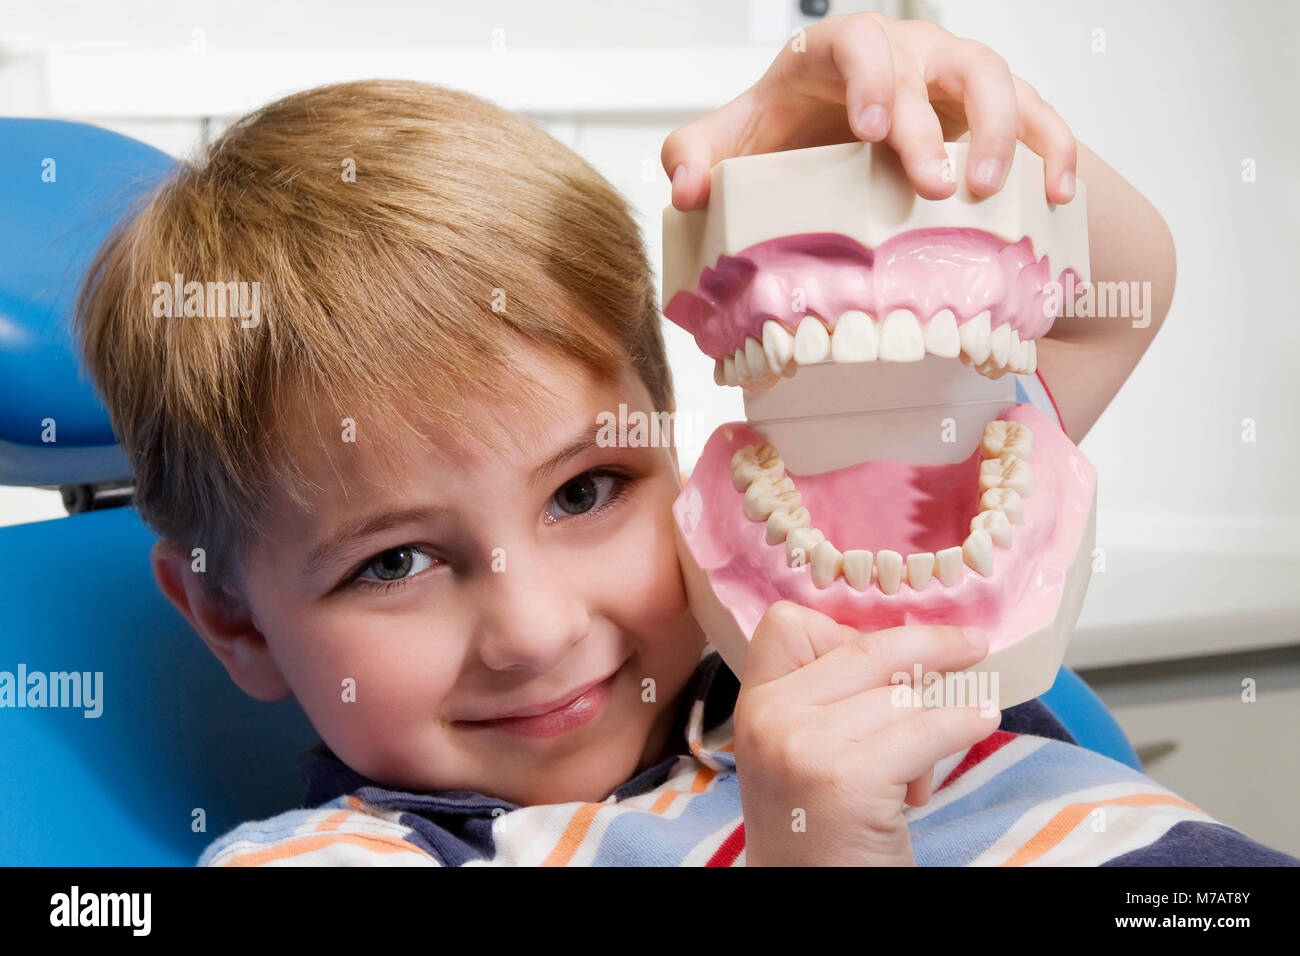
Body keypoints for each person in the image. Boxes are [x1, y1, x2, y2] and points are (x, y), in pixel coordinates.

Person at [73, 12, 1296, 865]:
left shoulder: (831, 582)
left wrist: (944, 124)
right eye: (393, 562)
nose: (540, 629)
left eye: (588, 489)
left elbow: (1092, 304)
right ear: (229, 615)